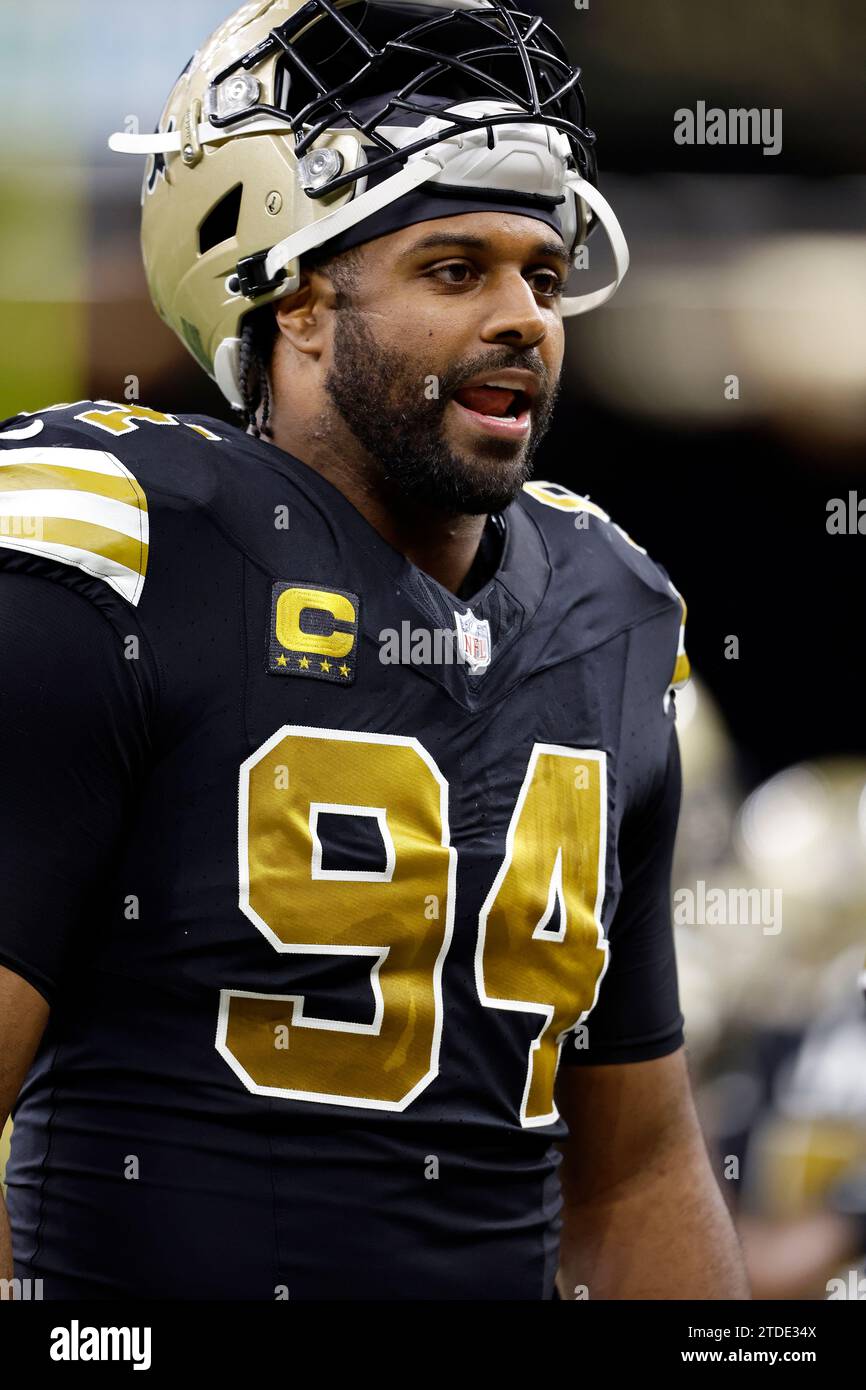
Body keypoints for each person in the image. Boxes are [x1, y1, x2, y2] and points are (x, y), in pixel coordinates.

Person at [0, 0, 748, 1300]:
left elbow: (630, 1173)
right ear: (293, 310)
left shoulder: (608, 610)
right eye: (454, 269)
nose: (523, 315)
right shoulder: (119, 559)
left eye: (542, 272)